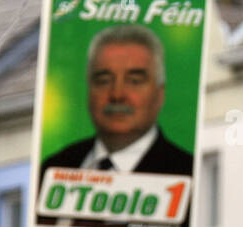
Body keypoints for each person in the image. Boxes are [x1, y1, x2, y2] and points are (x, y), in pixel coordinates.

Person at [40, 25, 194, 177]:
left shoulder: (188, 172)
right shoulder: (53, 168)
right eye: (104, 81)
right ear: (89, 90)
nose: (117, 94)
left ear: (159, 94)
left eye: (134, 81)